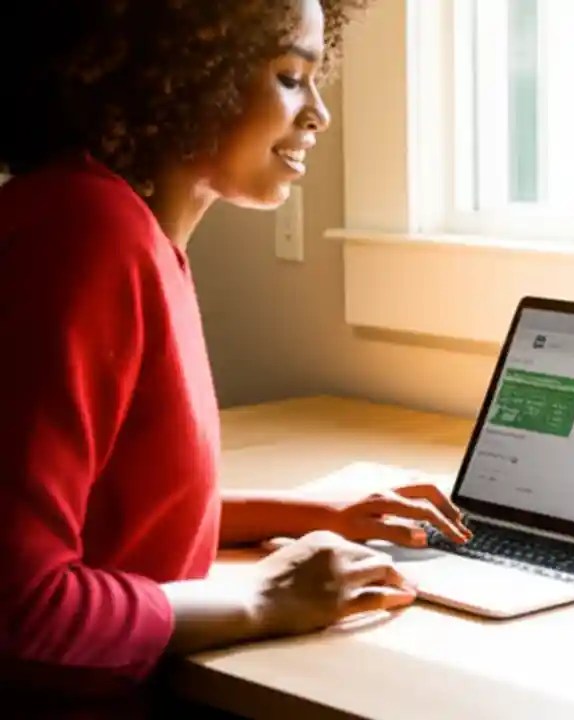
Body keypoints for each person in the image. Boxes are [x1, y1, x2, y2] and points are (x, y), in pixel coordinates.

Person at [0, 0, 472, 714]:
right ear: (181, 73)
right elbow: (21, 611)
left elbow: (119, 510)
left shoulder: (135, 234)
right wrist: (258, 598)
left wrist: (311, 510)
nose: (318, 114)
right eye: (289, 76)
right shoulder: (87, 235)